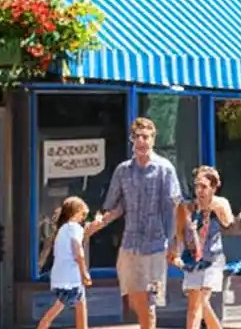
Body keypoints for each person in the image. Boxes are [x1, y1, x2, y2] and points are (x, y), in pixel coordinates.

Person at [87, 117, 183, 329]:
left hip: (155, 245)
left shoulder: (164, 169)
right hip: (129, 245)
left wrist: (176, 243)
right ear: (132, 140)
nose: (141, 141)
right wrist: (97, 223)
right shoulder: (123, 170)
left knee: (149, 302)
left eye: (146, 137)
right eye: (137, 137)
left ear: (153, 139)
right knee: (134, 300)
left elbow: (176, 207)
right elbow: (115, 206)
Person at [170, 166, 236, 329]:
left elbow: (229, 223)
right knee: (194, 307)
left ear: (213, 188)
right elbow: (179, 233)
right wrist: (176, 253)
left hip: (212, 259)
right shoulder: (186, 207)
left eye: (204, 186)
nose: (199, 191)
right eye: (197, 186)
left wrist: (218, 209)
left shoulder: (220, 204)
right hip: (192, 259)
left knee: (201, 302)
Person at [36, 197, 93, 329]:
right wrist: (84, 273)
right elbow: (77, 251)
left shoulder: (62, 230)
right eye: (83, 214)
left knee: (78, 304)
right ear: (76, 212)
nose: (83, 218)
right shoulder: (75, 228)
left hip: (59, 277)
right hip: (71, 278)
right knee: (59, 307)